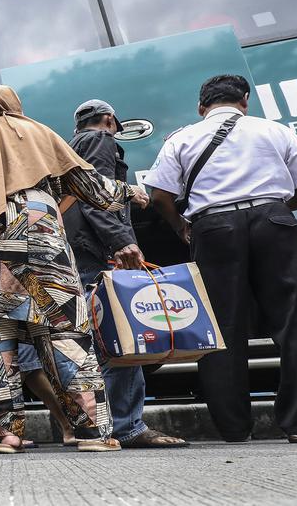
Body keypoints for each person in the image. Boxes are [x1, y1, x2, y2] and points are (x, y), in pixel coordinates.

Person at [0, 85, 145, 454]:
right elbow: (89, 185)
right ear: (16, 105)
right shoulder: (39, 131)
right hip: (36, 231)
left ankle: (7, 435)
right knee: (63, 330)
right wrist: (130, 192)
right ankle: (91, 432)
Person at [147, 74, 297, 443]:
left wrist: (182, 225)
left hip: (212, 227)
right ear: (245, 101)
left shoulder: (182, 138)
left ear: (201, 107)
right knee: (296, 320)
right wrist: (277, 211)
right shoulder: (274, 130)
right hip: (273, 220)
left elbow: (158, 196)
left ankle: (233, 427)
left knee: (220, 327)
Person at [65, 100, 188, 449]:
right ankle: (127, 426)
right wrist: (121, 242)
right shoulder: (98, 141)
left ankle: (102, 425)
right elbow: (97, 197)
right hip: (96, 252)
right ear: (108, 120)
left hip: (78, 252)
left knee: (96, 344)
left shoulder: (71, 146)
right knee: (121, 338)